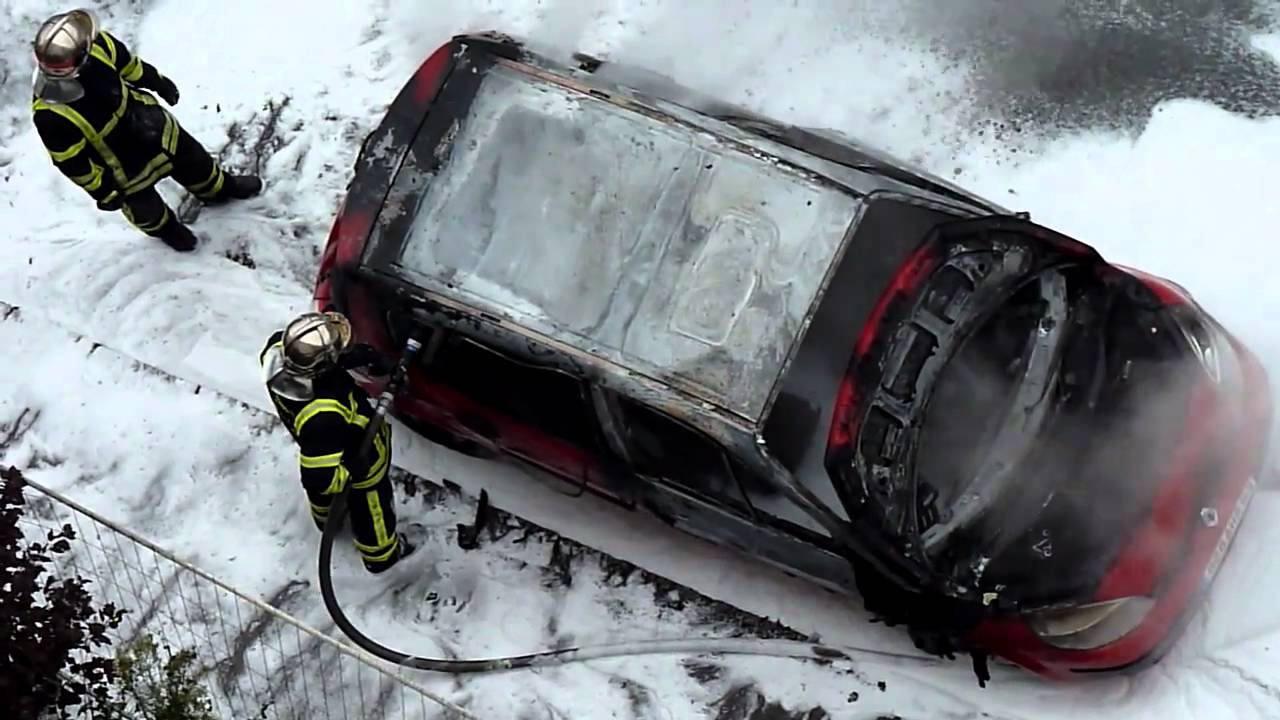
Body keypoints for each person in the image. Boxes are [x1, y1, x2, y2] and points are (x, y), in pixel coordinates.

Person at [30, 8, 263, 252]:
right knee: (146, 210)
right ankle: (169, 230)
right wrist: (104, 190)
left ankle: (220, 190)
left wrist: (157, 81)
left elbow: (130, 66)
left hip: (151, 126)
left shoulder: (98, 45)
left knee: (196, 162)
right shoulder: (51, 114)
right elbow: (72, 163)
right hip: (121, 165)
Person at [259, 311, 420, 574]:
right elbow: (319, 480)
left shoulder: (277, 353)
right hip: (359, 462)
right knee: (372, 511)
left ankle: (328, 521)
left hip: (321, 447)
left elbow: (319, 362)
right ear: (322, 369)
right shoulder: (324, 415)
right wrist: (350, 472)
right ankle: (382, 556)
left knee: (322, 490)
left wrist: (365, 357)